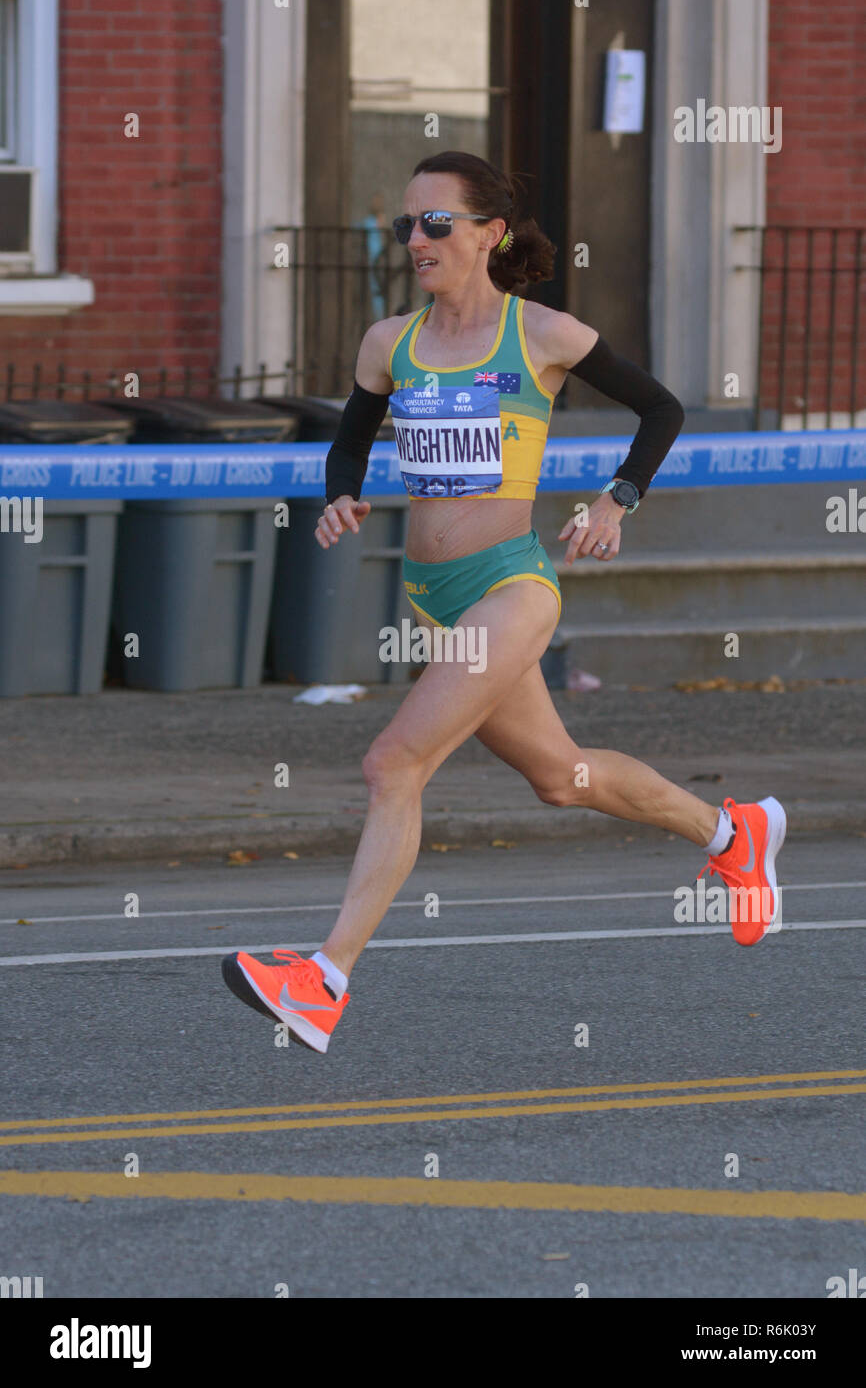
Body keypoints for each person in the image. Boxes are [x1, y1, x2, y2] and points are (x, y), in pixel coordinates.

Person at [222, 151, 786, 1054]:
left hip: (513, 589)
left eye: (436, 223)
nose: (417, 240)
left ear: (489, 233)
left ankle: (322, 980)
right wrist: (341, 495)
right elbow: (349, 444)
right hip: (434, 598)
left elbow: (664, 408)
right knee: (562, 780)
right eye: (408, 224)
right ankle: (734, 832)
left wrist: (616, 500)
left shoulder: (545, 336)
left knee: (392, 764)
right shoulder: (389, 344)